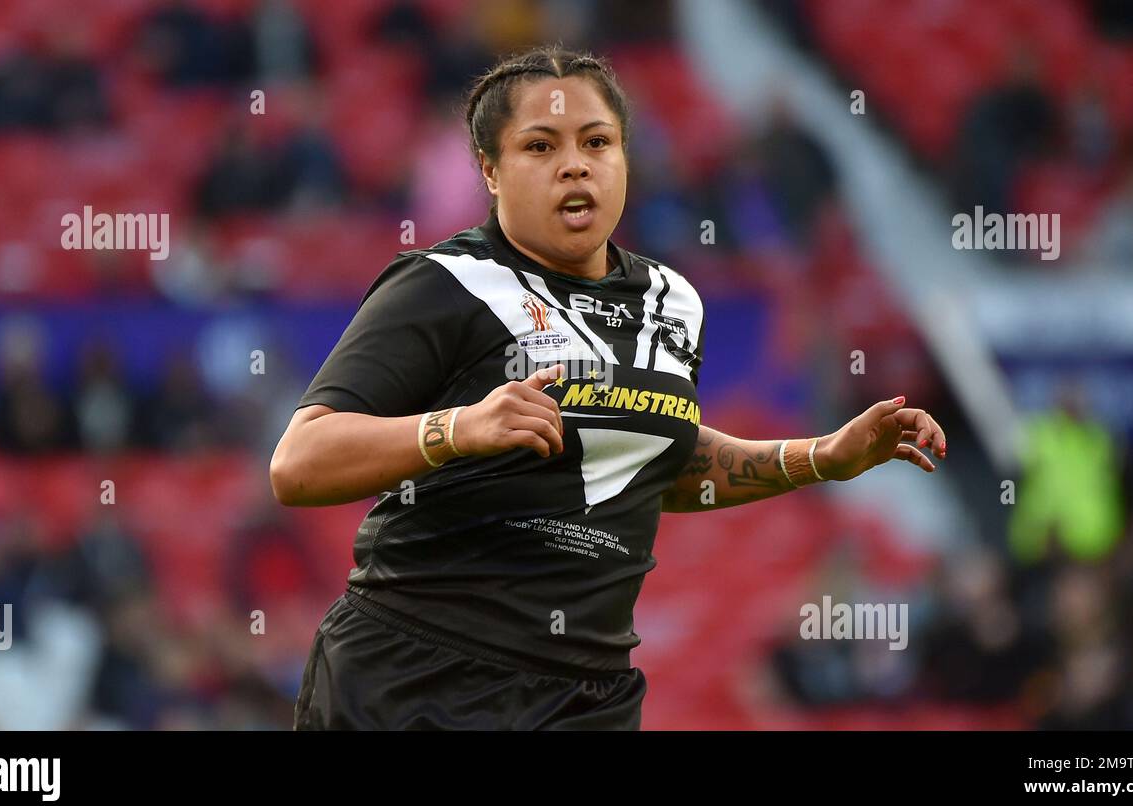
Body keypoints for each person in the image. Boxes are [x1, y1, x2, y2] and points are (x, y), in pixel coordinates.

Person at [270, 46, 948, 730]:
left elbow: (654, 464)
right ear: (490, 170)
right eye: (540, 145)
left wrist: (819, 457)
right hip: (414, 679)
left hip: (584, 698)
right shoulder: (443, 284)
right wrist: (456, 430)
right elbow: (299, 462)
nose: (576, 164)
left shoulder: (673, 301)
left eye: (598, 141)